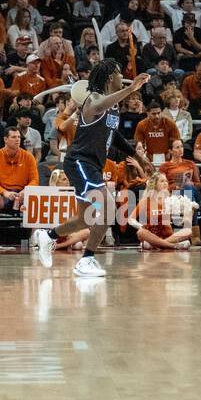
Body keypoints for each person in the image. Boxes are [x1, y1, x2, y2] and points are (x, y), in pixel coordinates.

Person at [30, 61, 153, 276]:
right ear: (108, 78)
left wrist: (140, 158)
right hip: (80, 161)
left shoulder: (113, 107)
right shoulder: (93, 100)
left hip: (92, 165)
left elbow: (114, 136)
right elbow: (98, 106)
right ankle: (86, 260)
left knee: (84, 219)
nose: (120, 76)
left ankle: (47, 235)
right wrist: (131, 89)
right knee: (109, 208)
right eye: (118, 73)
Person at [129, 172, 193, 250]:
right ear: (155, 184)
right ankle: (172, 246)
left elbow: (185, 210)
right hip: (151, 235)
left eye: (166, 181)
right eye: (162, 181)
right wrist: (139, 226)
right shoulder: (146, 200)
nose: (165, 183)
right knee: (140, 232)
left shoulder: (171, 198)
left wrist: (186, 217)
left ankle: (158, 244)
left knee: (188, 231)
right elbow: (131, 219)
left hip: (169, 236)